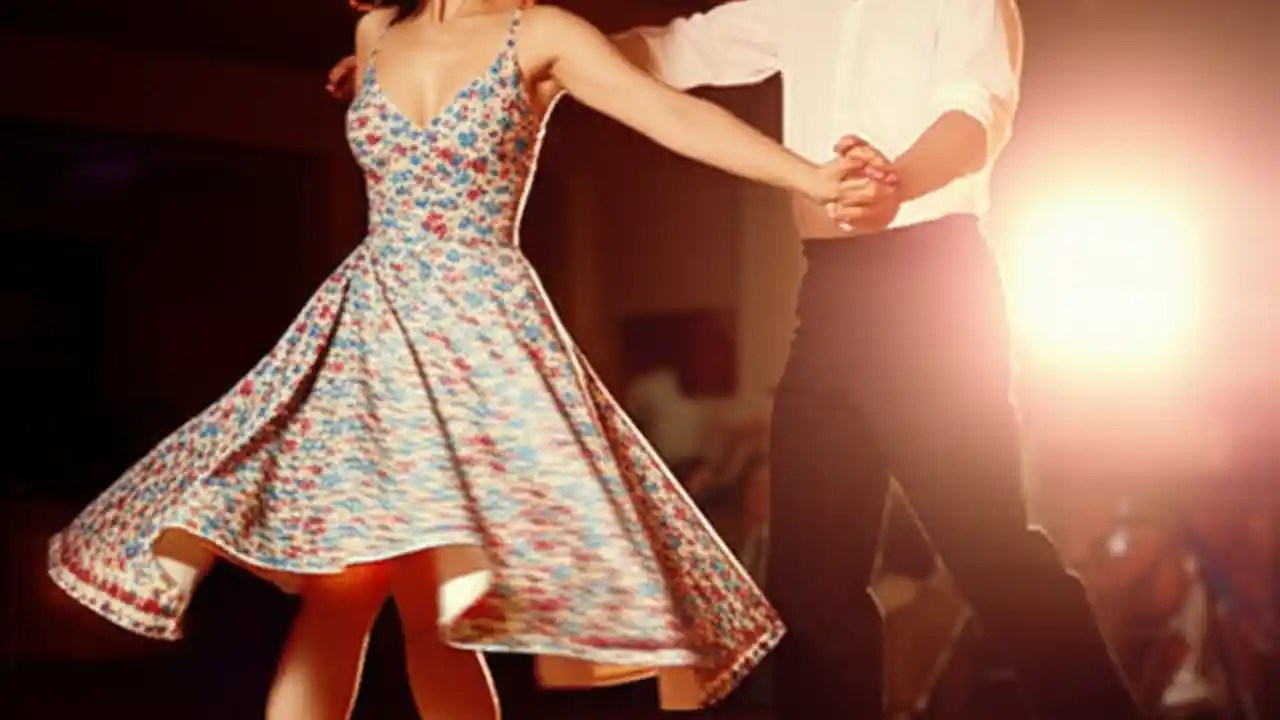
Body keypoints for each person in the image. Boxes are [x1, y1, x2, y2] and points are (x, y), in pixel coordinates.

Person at [46, 1, 884, 719]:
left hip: (476, 336)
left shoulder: (541, 33)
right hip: (369, 330)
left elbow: (668, 113)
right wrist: (366, 71)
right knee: (344, 590)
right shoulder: (379, 34)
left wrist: (811, 178)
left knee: (430, 608)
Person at [330, 1, 1146, 718]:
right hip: (830, 298)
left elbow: (978, 117)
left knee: (989, 552)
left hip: (932, 287)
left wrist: (899, 178)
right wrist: (447, 64)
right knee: (810, 581)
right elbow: (670, 53)